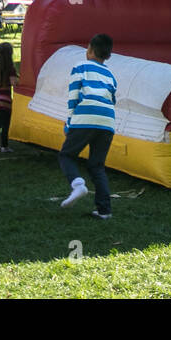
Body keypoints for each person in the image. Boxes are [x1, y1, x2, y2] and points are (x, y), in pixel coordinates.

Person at [59, 33, 117, 219]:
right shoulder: (110, 75)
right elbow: (112, 99)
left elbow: (73, 97)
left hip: (85, 117)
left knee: (66, 155)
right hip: (107, 121)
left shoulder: (80, 67)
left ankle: (77, 185)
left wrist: (69, 123)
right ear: (108, 55)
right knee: (97, 166)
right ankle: (104, 210)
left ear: (90, 49)